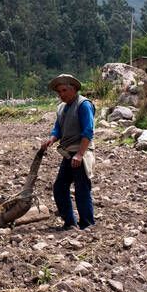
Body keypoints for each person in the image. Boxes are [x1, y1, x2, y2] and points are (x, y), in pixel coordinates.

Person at [40, 74, 95, 231]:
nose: (61, 94)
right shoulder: (62, 108)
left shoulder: (84, 105)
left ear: (74, 89)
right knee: (59, 187)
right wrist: (51, 140)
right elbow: (58, 128)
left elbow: (88, 131)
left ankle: (87, 224)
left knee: (82, 189)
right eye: (59, 92)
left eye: (64, 90)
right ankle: (70, 222)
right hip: (68, 153)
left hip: (81, 154)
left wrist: (80, 154)